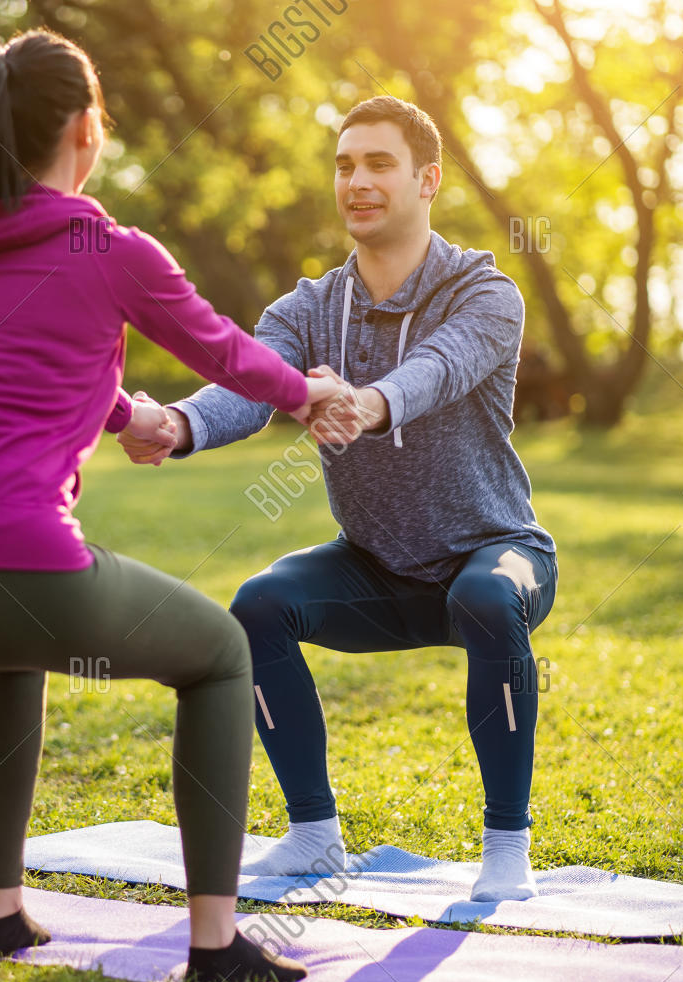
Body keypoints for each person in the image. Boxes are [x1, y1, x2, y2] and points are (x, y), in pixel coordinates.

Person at [0, 29, 343, 982]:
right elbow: (223, 351)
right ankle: (213, 943)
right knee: (222, 654)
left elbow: (2, 367)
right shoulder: (108, 247)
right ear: (82, 128)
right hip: (11, 551)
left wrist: (126, 415)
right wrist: (308, 394)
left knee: (13, 648)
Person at [121, 96, 558, 902]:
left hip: (498, 556)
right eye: (345, 164)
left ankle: (506, 847)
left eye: (379, 164)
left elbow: (441, 368)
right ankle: (314, 837)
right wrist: (176, 424)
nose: (356, 181)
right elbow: (248, 385)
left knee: (490, 599)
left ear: (428, 179)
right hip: (380, 570)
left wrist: (366, 402)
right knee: (258, 606)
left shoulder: (486, 294)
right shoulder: (308, 310)